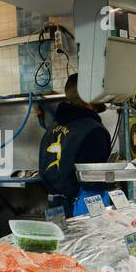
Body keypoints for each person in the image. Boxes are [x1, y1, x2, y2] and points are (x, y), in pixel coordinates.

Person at [38, 73, 114, 213]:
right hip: (84, 208)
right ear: (89, 97)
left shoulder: (51, 130)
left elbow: (44, 172)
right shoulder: (94, 131)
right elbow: (93, 182)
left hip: (55, 207)